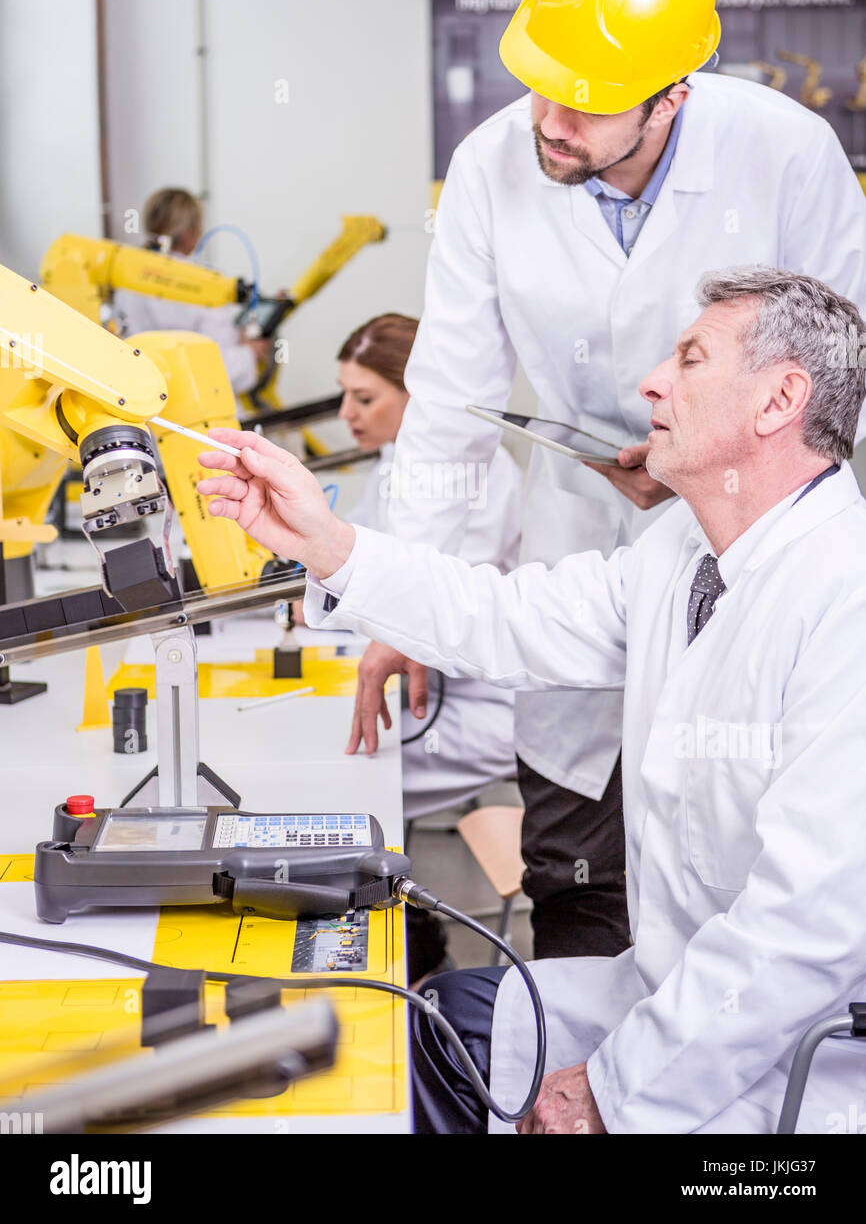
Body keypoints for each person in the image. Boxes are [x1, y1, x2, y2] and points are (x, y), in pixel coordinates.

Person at [197, 265, 866, 1135]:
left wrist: (611, 1092)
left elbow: (801, 933)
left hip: (792, 1061)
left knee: (426, 1057)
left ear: (779, 399)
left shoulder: (843, 597)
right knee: (421, 1023)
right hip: (669, 998)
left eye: (690, 359)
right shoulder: (682, 554)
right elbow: (504, 616)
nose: (651, 382)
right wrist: (329, 546)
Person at [344, 0, 866, 962]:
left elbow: (836, 388)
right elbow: (445, 402)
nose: (549, 120)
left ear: (673, 92)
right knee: (576, 885)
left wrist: (701, 486)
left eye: (585, 104)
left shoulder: (786, 154)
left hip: (752, 573)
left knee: (758, 895)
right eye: (540, 82)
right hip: (581, 547)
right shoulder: (492, 164)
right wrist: (408, 599)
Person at [330, 313, 523, 818]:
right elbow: (357, 558)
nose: (346, 413)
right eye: (345, 394)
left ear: (416, 394)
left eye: (365, 398)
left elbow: (437, 607)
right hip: (423, 690)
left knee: (338, 776)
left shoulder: (486, 474)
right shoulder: (394, 462)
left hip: (479, 707)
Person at [113, 187, 269, 395]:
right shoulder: (206, 283)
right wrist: (250, 353)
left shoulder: (126, 279)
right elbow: (218, 369)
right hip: (195, 409)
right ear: (189, 234)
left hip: (143, 404)